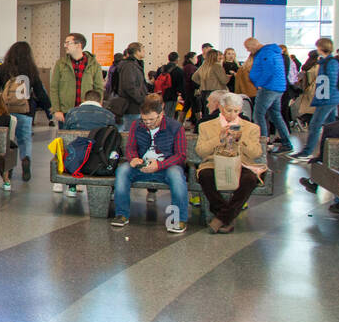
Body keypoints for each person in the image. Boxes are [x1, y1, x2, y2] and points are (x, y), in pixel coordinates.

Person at [110, 94, 188, 233]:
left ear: (161, 114)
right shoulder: (137, 124)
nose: (148, 123)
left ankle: (179, 219)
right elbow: (131, 148)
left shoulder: (175, 127)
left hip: (166, 166)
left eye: (152, 119)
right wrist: (133, 158)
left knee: (176, 175)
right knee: (122, 170)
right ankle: (121, 214)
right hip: (142, 165)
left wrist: (159, 165)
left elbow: (180, 155)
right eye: (145, 120)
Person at [194, 92, 265, 233]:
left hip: (242, 163)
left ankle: (221, 218)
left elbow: (256, 153)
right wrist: (218, 139)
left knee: (250, 179)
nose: (232, 114)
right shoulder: (206, 126)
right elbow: (201, 151)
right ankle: (227, 217)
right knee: (205, 175)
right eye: (229, 110)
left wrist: (242, 139)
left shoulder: (251, 128)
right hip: (214, 162)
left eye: (236, 111)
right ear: (221, 107)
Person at [0, 41, 50, 184]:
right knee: (24, 139)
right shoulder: (30, 70)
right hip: (25, 111)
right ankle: (26, 159)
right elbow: (40, 93)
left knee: (8, 141)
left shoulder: (4, 68)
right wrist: (48, 107)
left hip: (5, 111)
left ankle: (8, 168)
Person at [293, 37, 339, 161]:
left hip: (328, 98)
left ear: (321, 48)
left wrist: (321, 99)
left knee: (315, 124)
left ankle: (308, 152)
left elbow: (329, 82)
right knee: (330, 125)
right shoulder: (328, 62)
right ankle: (330, 152)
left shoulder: (329, 63)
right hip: (331, 98)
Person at [244, 36, 295, 153]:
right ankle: (286, 142)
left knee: (258, 114)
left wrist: (259, 83)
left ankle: (263, 144)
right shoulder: (273, 52)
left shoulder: (265, 53)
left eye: (248, 48)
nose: (248, 51)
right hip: (277, 87)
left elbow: (269, 71)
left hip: (268, 88)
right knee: (276, 115)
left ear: (253, 45)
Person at [50, 33, 105, 133]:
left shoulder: (94, 64)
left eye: (68, 43)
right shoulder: (60, 64)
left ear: (78, 45)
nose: (65, 46)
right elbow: (54, 88)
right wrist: (56, 110)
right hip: (66, 112)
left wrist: (98, 107)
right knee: (66, 142)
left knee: (86, 141)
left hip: (87, 111)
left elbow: (99, 88)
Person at [109, 43, 148, 131]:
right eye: (143, 49)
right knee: (130, 134)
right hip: (131, 107)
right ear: (137, 52)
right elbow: (129, 86)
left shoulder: (134, 65)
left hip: (134, 106)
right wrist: (141, 99)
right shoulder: (129, 66)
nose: (145, 52)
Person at [192, 48, 229, 120]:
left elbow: (194, 77)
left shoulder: (203, 66)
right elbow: (224, 80)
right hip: (216, 92)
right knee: (215, 112)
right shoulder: (217, 66)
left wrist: (202, 82)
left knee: (206, 112)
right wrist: (228, 77)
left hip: (203, 92)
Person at [154, 51, 185, 120]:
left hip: (160, 94)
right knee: (170, 114)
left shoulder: (160, 69)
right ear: (177, 60)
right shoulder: (179, 71)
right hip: (172, 95)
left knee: (160, 112)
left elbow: (156, 80)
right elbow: (181, 85)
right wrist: (181, 94)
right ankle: (167, 127)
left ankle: (159, 125)